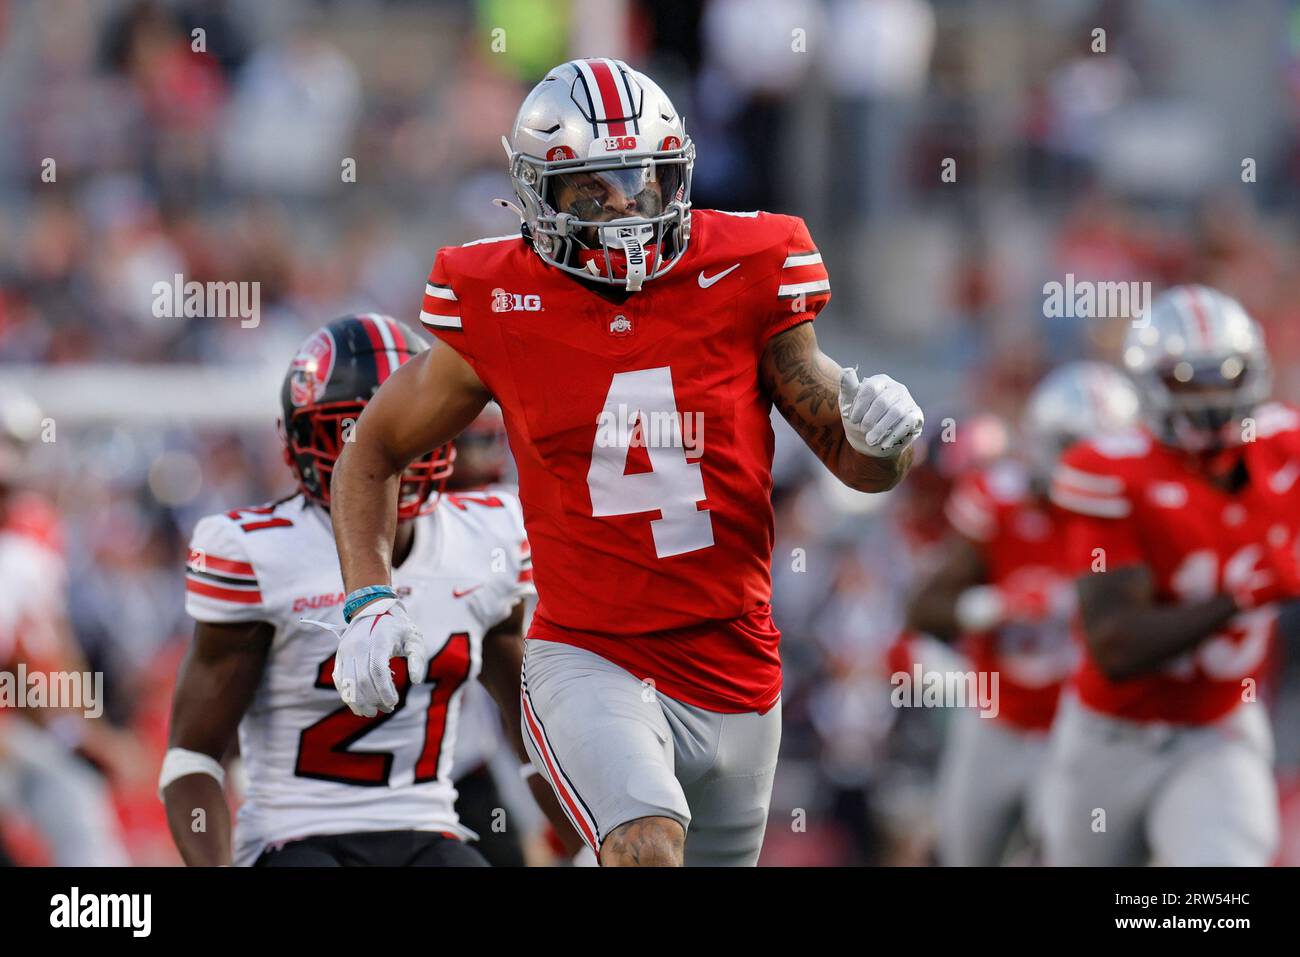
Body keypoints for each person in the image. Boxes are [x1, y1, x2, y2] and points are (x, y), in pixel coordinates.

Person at [327, 59, 924, 867]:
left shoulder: (748, 266)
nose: (623, 210)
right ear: (537, 192)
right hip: (590, 656)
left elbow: (856, 466)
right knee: (646, 846)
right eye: (591, 189)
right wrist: (367, 595)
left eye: (640, 181)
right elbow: (371, 450)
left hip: (739, 666)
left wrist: (890, 443)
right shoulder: (500, 297)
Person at [161, 313, 575, 866]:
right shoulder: (257, 554)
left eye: (396, 428)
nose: (378, 453)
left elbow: (533, 739)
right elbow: (194, 757)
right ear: (302, 443)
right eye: (347, 433)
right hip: (296, 835)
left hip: (428, 824)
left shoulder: (487, 537)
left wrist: (595, 848)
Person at [1043, 286, 1299, 865]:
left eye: (1226, 378)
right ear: (1150, 384)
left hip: (1218, 729)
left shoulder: (1287, 448)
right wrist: (1246, 593)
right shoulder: (1109, 470)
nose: (1210, 398)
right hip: (1111, 737)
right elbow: (1115, 644)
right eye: (1189, 381)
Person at [905, 361, 1138, 865]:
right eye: (1080, 452)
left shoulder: (1135, 521)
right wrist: (995, 605)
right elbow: (925, 607)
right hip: (997, 719)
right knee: (960, 851)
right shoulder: (999, 503)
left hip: (1080, 731)